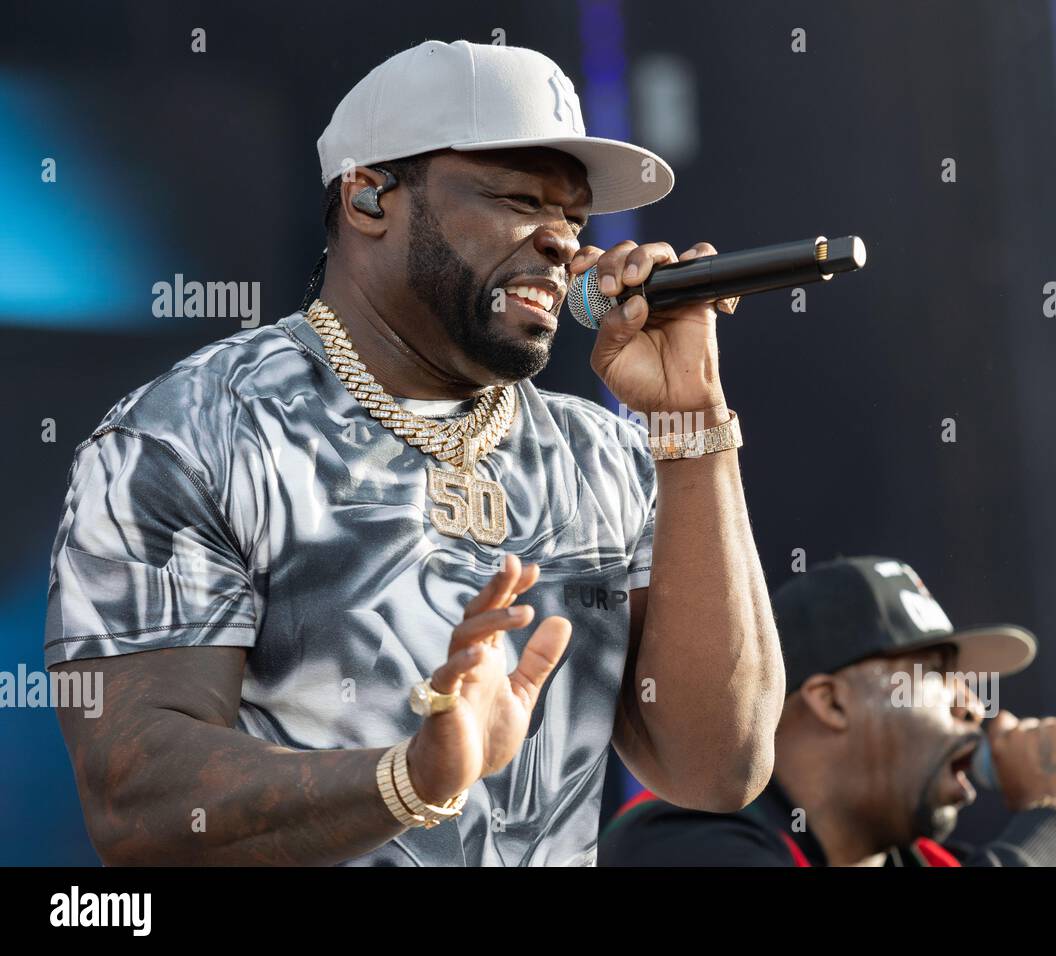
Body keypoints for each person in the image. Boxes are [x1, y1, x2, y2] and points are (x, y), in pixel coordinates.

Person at [43, 39, 783, 866]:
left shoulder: (605, 455)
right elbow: (137, 802)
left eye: (574, 219)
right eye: (516, 199)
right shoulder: (193, 433)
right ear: (367, 200)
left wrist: (694, 427)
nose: (562, 245)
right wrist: (412, 780)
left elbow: (721, 770)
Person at [599, 556, 1056, 866]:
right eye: (936, 675)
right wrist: (1047, 829)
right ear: (832, 702)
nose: (974, 704)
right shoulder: (680, 839)